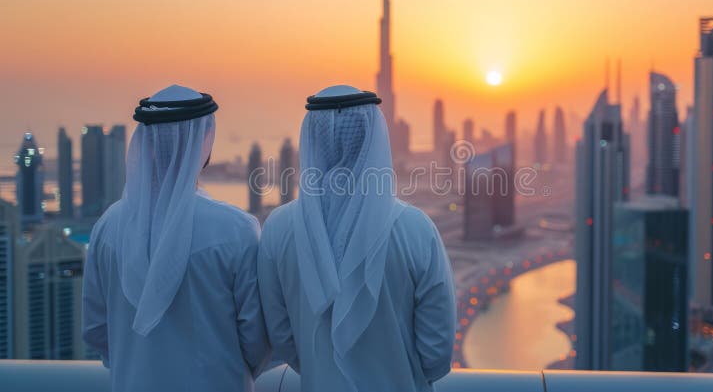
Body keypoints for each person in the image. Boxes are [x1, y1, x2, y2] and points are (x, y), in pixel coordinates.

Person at [258, 85, 455, 392]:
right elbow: (437, 354)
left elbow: (282, 339)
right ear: (374, 140)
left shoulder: (277, 228)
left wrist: (325, 371)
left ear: (312, 141)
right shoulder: (416, 228)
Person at [82, 85, 270, 392]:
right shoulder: (236, 229)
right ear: (204, 144)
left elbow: (95, 330)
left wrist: (140, 364)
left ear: (147, 144)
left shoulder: (108, 226)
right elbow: (256, 338)